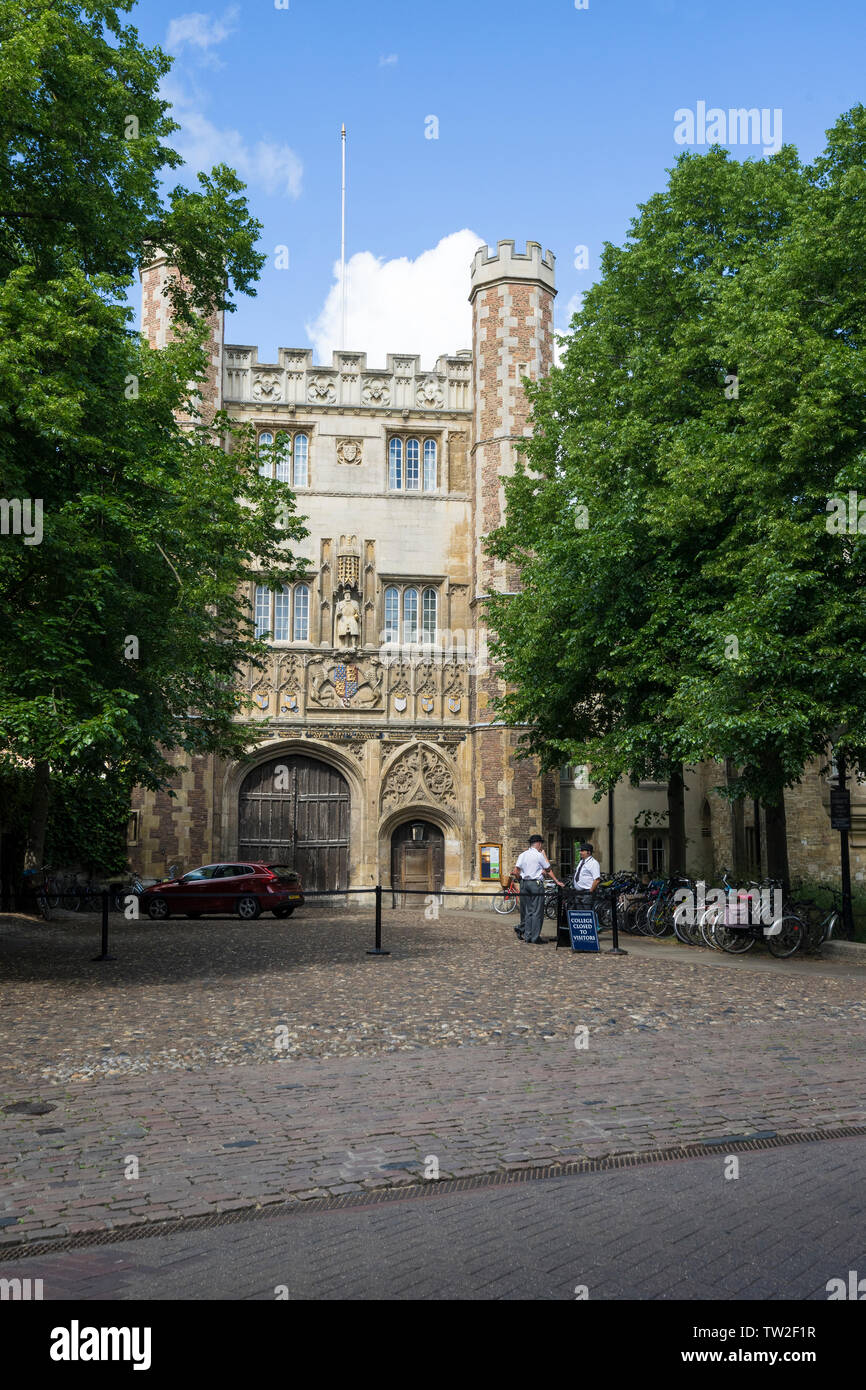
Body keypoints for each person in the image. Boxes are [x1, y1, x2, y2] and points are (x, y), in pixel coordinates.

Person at [514, 835, 563, 944]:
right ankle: (535, 937)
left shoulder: (523, 855)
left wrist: (520, 880)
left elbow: (516, 871)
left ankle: (527, 936)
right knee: (537, 911)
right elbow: (548, 868)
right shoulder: (539, 855)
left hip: (524, 883)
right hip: (535, 884)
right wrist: (555, 880)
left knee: (528, 911)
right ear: (539, 844)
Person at [572, 842, 601, 907]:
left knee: (587, 913)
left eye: (582, 851)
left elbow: (597, 880)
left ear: (588, 852)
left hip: (587, 892)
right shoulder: (582, 861)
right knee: (580, 914)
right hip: (578, 892)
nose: (580, 852)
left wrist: (590, 892)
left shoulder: (593, 863)